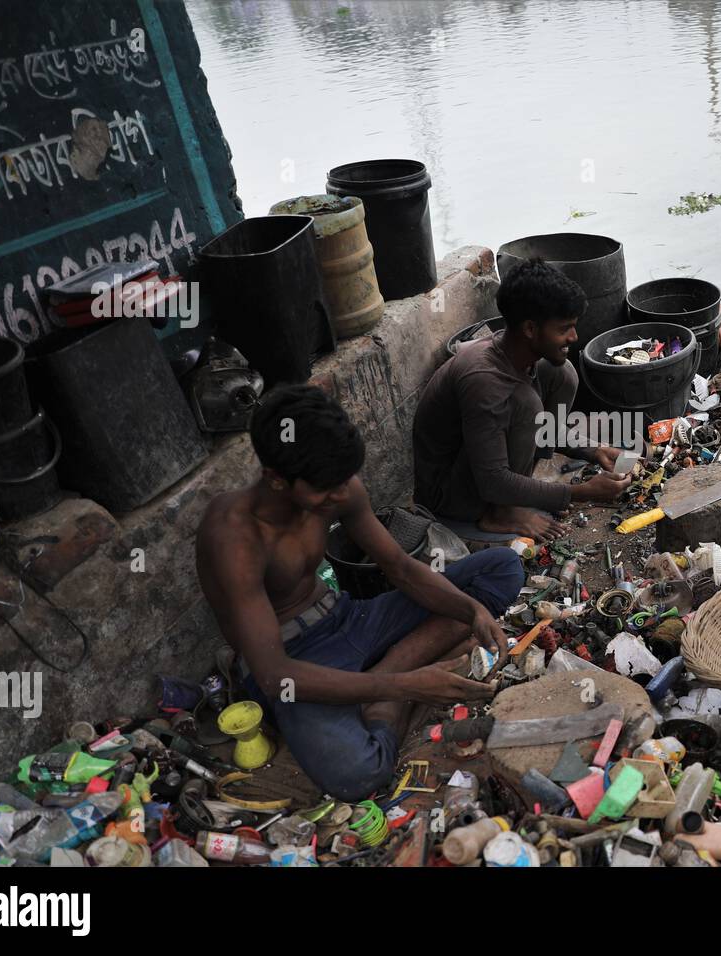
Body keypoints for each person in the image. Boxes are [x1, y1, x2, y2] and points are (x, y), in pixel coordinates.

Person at [196, 384, 524, 801]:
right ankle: (391, 681)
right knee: (360, 774)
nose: (340, 494)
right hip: (292, 661)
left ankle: (392, 663)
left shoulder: (336, 486)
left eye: (341, 481)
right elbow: (276, 676)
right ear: (275, 479)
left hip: (350, 617)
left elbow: (402, 568)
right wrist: (404, 688)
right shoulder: (234, 537)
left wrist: (470, 609)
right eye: (324, 488)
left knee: (501, 567)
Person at [412, 258, 632, 543]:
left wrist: (593, 451)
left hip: (479, 468)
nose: (574, 337)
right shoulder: (484, 380)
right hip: (448, 494)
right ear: (530, 329)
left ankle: (521, 484)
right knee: (527, 403)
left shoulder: (516, 354)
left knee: (561, 373)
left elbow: (546, 427)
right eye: (564, 328)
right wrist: (580, 492)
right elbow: (492, 480)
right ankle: (501, 512)